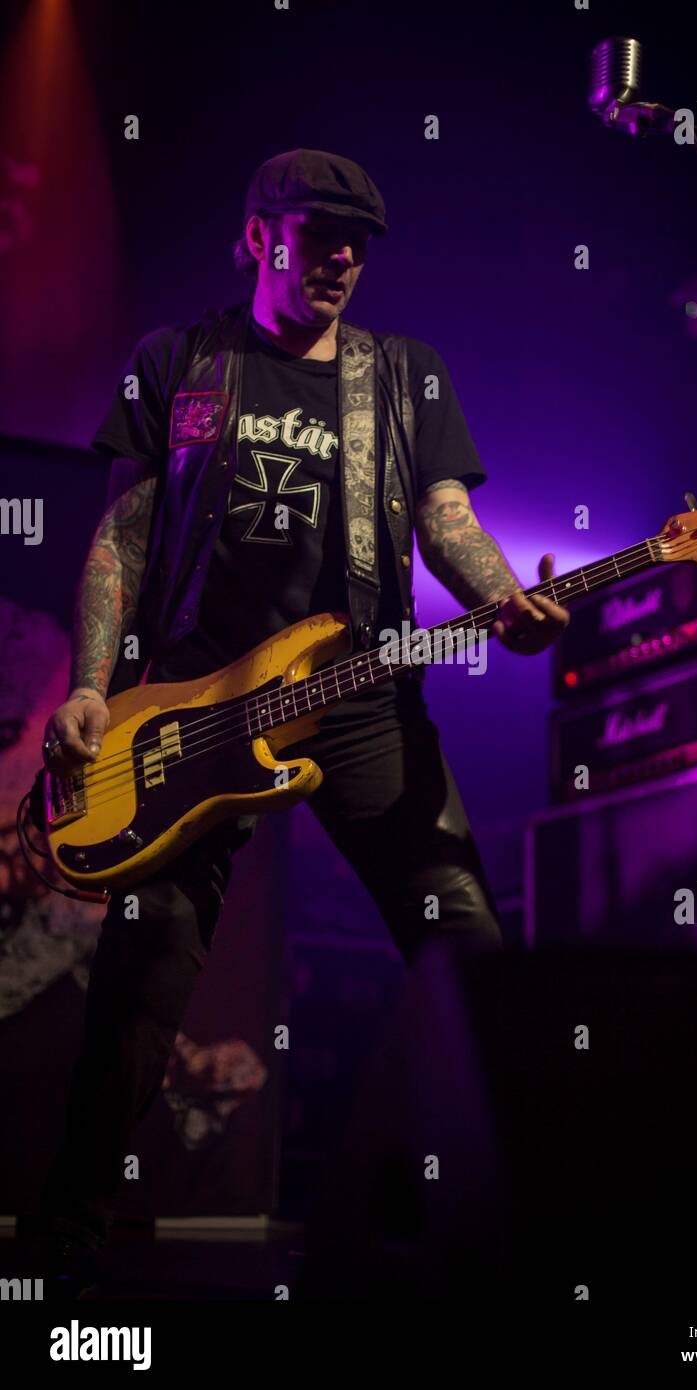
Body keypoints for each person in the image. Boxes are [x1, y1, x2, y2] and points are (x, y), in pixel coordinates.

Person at [33, 149, 569, 1296]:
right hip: (189, 705)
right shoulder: (178, 360)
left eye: (357, 241)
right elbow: (121, 536)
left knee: (464, 947)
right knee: (141, 972)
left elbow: (447, 521)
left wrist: (501, 602)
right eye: (318, 231)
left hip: (358, 695)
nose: (340, 256)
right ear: (257, 236)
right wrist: (90, 683)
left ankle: (524, 1231)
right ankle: (65, 1231)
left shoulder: (403, 374)